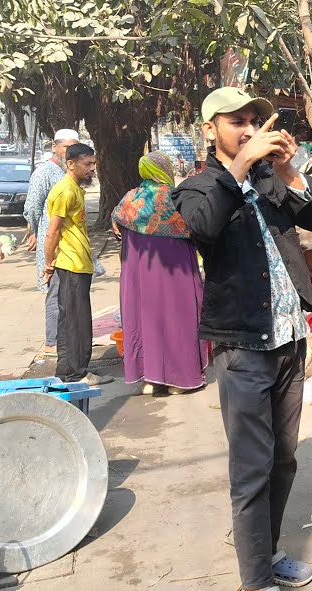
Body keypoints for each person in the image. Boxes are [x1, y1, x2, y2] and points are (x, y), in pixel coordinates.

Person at [173, 87, 312, 591]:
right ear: (210, 128)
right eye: (236, 120)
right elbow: (203, 227)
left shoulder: (269, 180)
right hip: (243, 345)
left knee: (284, 459)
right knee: (251, 470)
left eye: (253, 119)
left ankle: (266, 555)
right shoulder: (199, 186)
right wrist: (239, 168)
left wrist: (289, 172)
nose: (248, 127)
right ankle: (254, 587)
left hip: (289, 339)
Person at [111, 151, 208, 395]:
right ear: (164, 169)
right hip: (177, 273)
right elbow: (200, 229)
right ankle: (181, 380)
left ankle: (151, 379)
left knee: (146, 320)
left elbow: (116, 227)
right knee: (179, 318)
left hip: (139, 277)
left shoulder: (129, 200)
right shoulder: (177, 198)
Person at [42, 143, 113, 387]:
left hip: (79, 265)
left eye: (94, 164)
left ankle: (73, 370)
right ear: (71, 164)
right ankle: (74, 374)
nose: (92, 169)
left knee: (77, 321)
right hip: (70, 265)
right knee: (75, 321)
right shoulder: (65, 191)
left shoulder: (75, 189)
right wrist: (48, 264)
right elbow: (52, 232)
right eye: (88, 164)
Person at [25, 128, 81, 357]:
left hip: (70, 245)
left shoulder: (70, 172)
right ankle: (52, 342)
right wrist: (34, 232)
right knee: (55, 293)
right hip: (53, 242)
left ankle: (68, 338)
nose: (70, 152)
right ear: (55, 147)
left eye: (74, 148)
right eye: (67, 147)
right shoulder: (45, 173)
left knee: (70, 294)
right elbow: (32, 207)